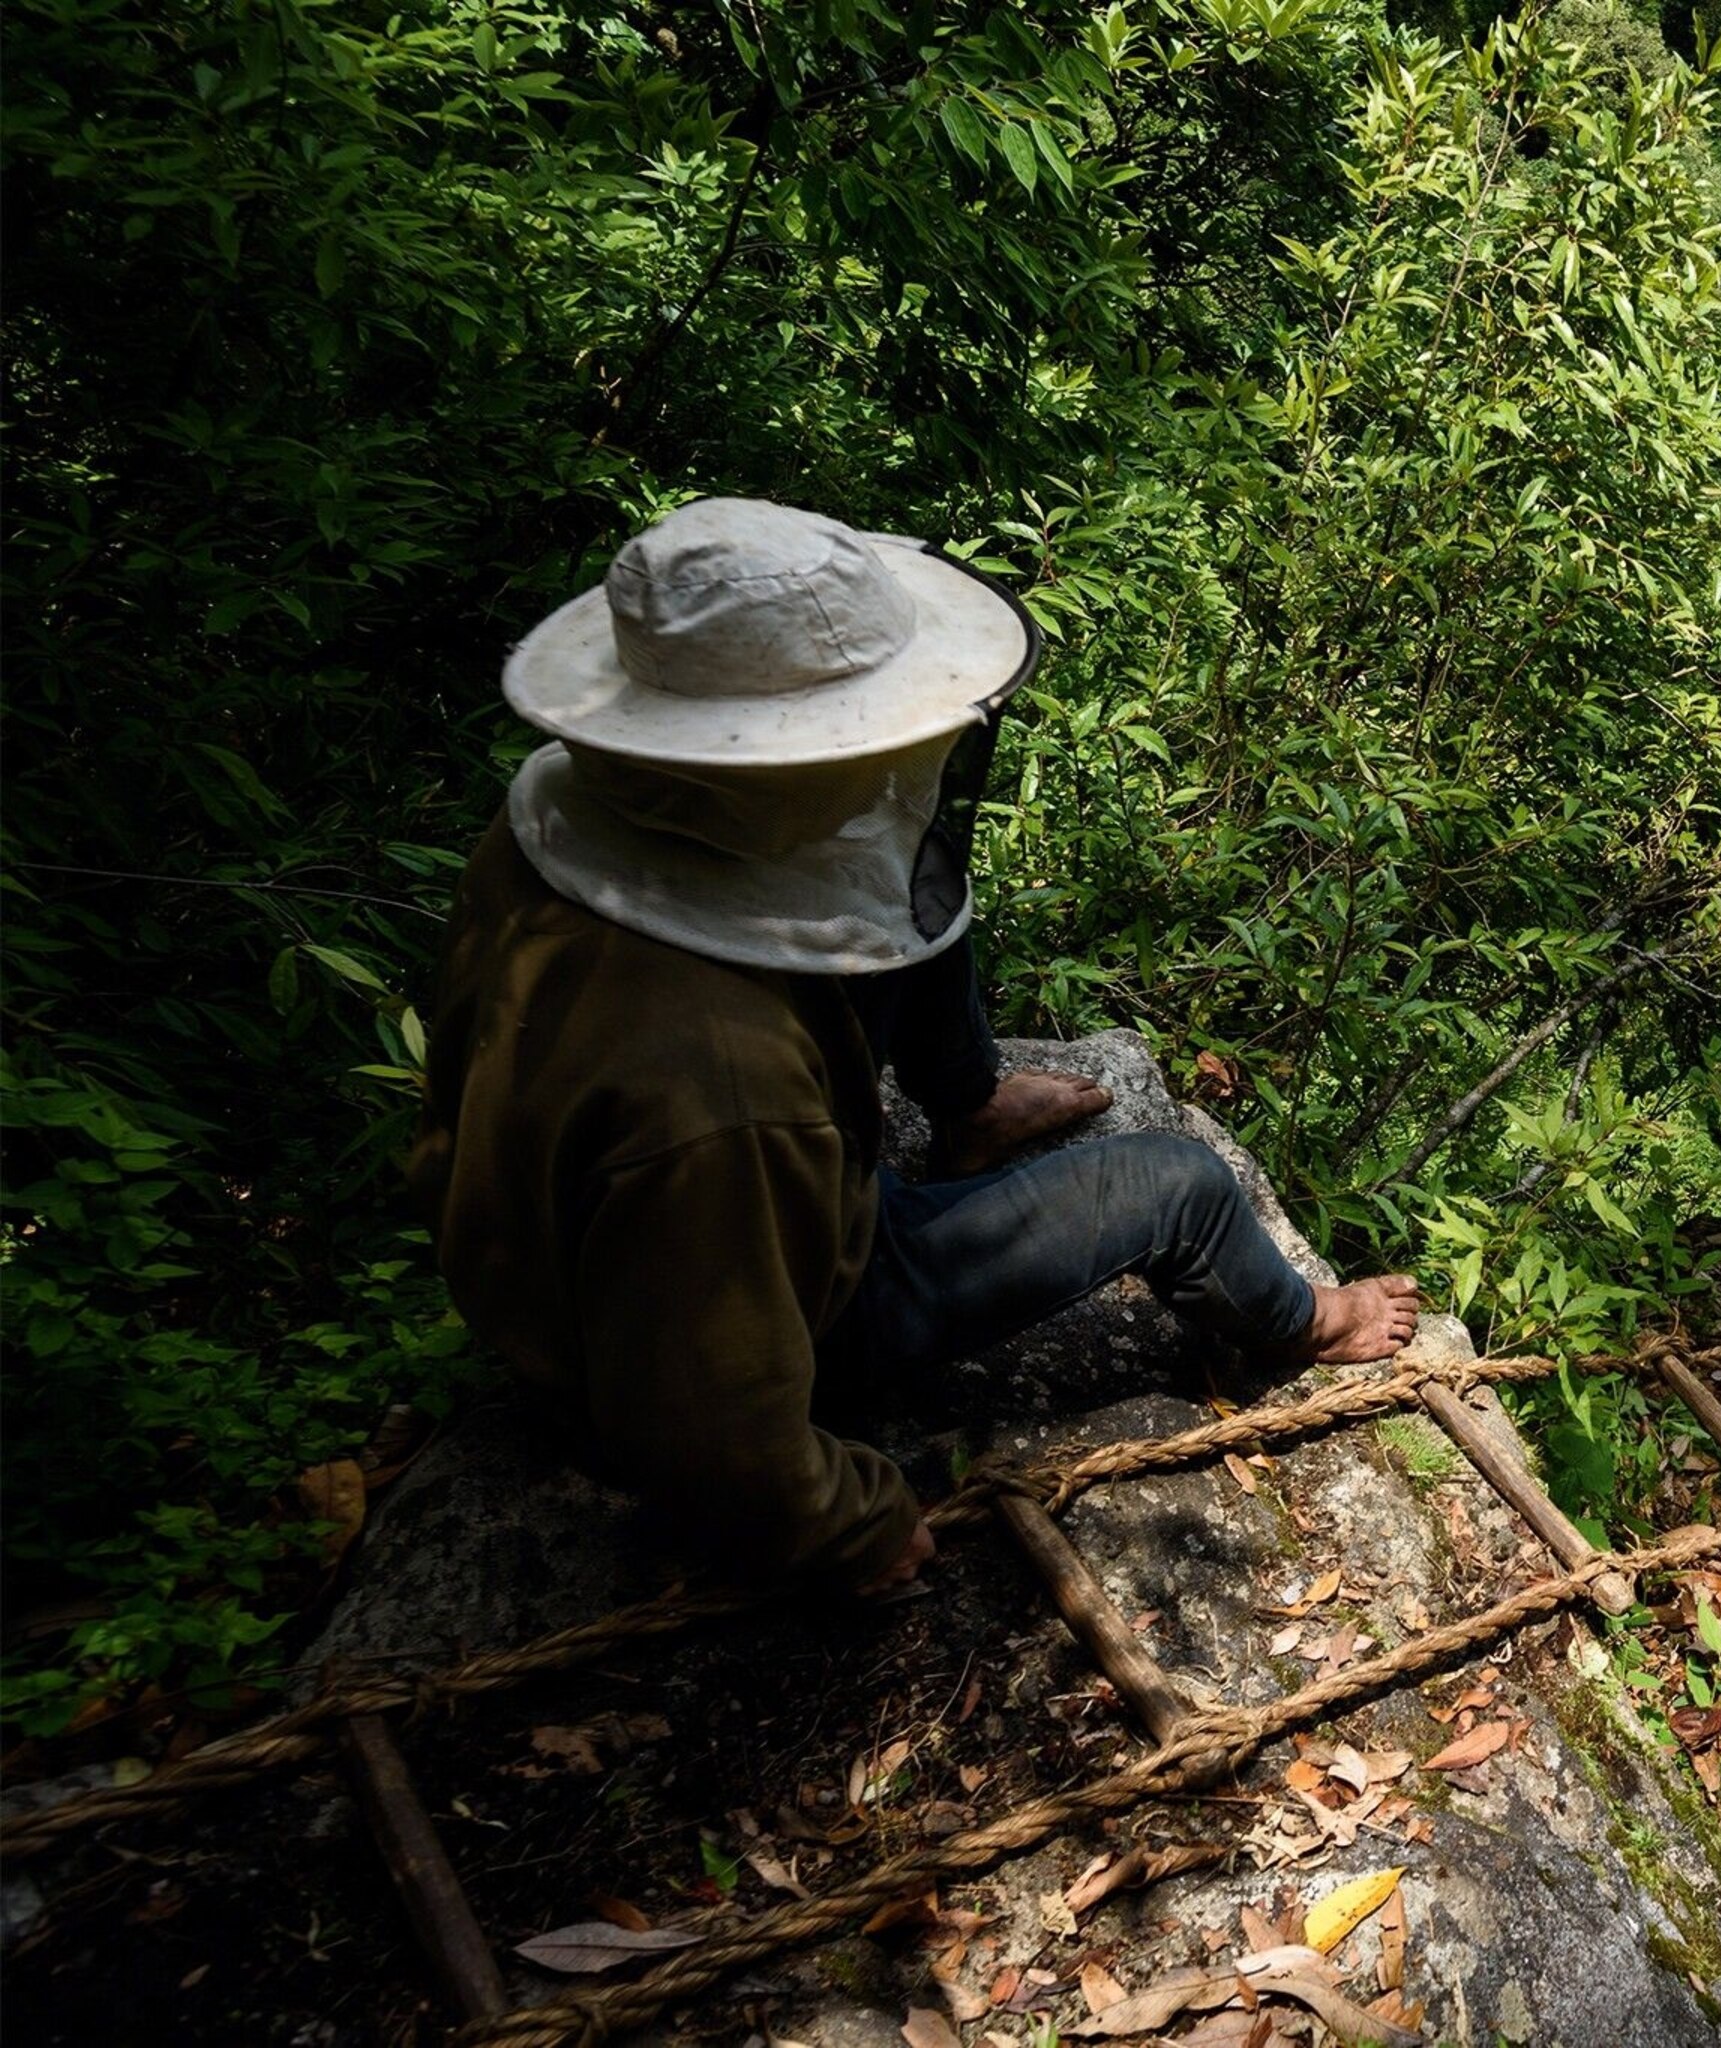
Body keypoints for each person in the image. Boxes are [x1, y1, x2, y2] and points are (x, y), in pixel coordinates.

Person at [409, 500, 1421, 1598]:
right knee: (1180, 1184)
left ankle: (970, 1098)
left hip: (572, 1240)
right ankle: (1305, 1321)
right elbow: (707, 1413)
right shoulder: (722, 1090)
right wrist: (840, 1520)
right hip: (753, 1295)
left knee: (906, 893)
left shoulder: (554, 839)